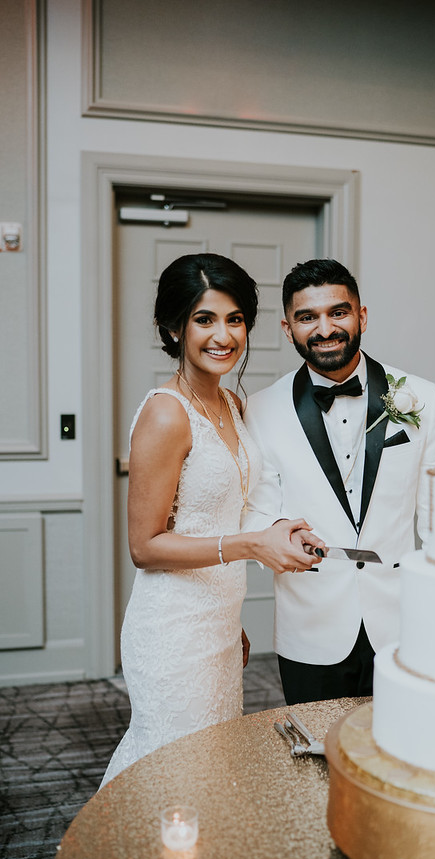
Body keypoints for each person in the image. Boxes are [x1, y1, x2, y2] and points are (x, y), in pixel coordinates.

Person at [100, 252, 323, 785]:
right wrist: (252, 546)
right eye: (205, 319)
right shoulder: (165, 413)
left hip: (219, 624)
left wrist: (276, 535)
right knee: (175, 771)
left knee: (212, 771)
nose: (223, 335)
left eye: (235, 319)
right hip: (172, 629)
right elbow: (145, 546)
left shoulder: (231, 403)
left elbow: (225, 511)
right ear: (172, 328)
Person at [243, 258, 435, 705]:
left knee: (399, 752)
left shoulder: (421, 397)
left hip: (402, 625)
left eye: (338, 312)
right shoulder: (260, 409)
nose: (325, 329)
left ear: (361, 316)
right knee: (314, 760)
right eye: (307, 317)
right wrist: (278, 541)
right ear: (288, 329)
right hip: (310, 623)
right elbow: (258, 513)